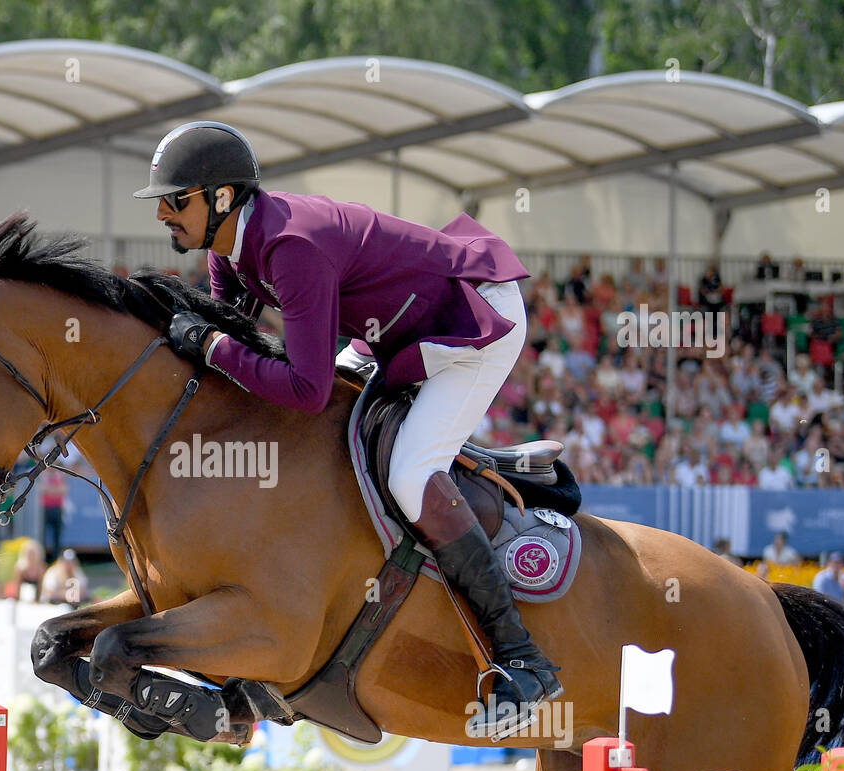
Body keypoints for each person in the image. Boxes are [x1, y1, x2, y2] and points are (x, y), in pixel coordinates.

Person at [135, 121, 559, 736]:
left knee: (412, 475)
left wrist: (214, 345)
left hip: (470, 320)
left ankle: (522, 659)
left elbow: (302, 389)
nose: (164, 216)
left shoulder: (290, 247)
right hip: (389, 328)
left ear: (221, 199)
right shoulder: (228, 248)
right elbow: (232, 335)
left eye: (176, 201)